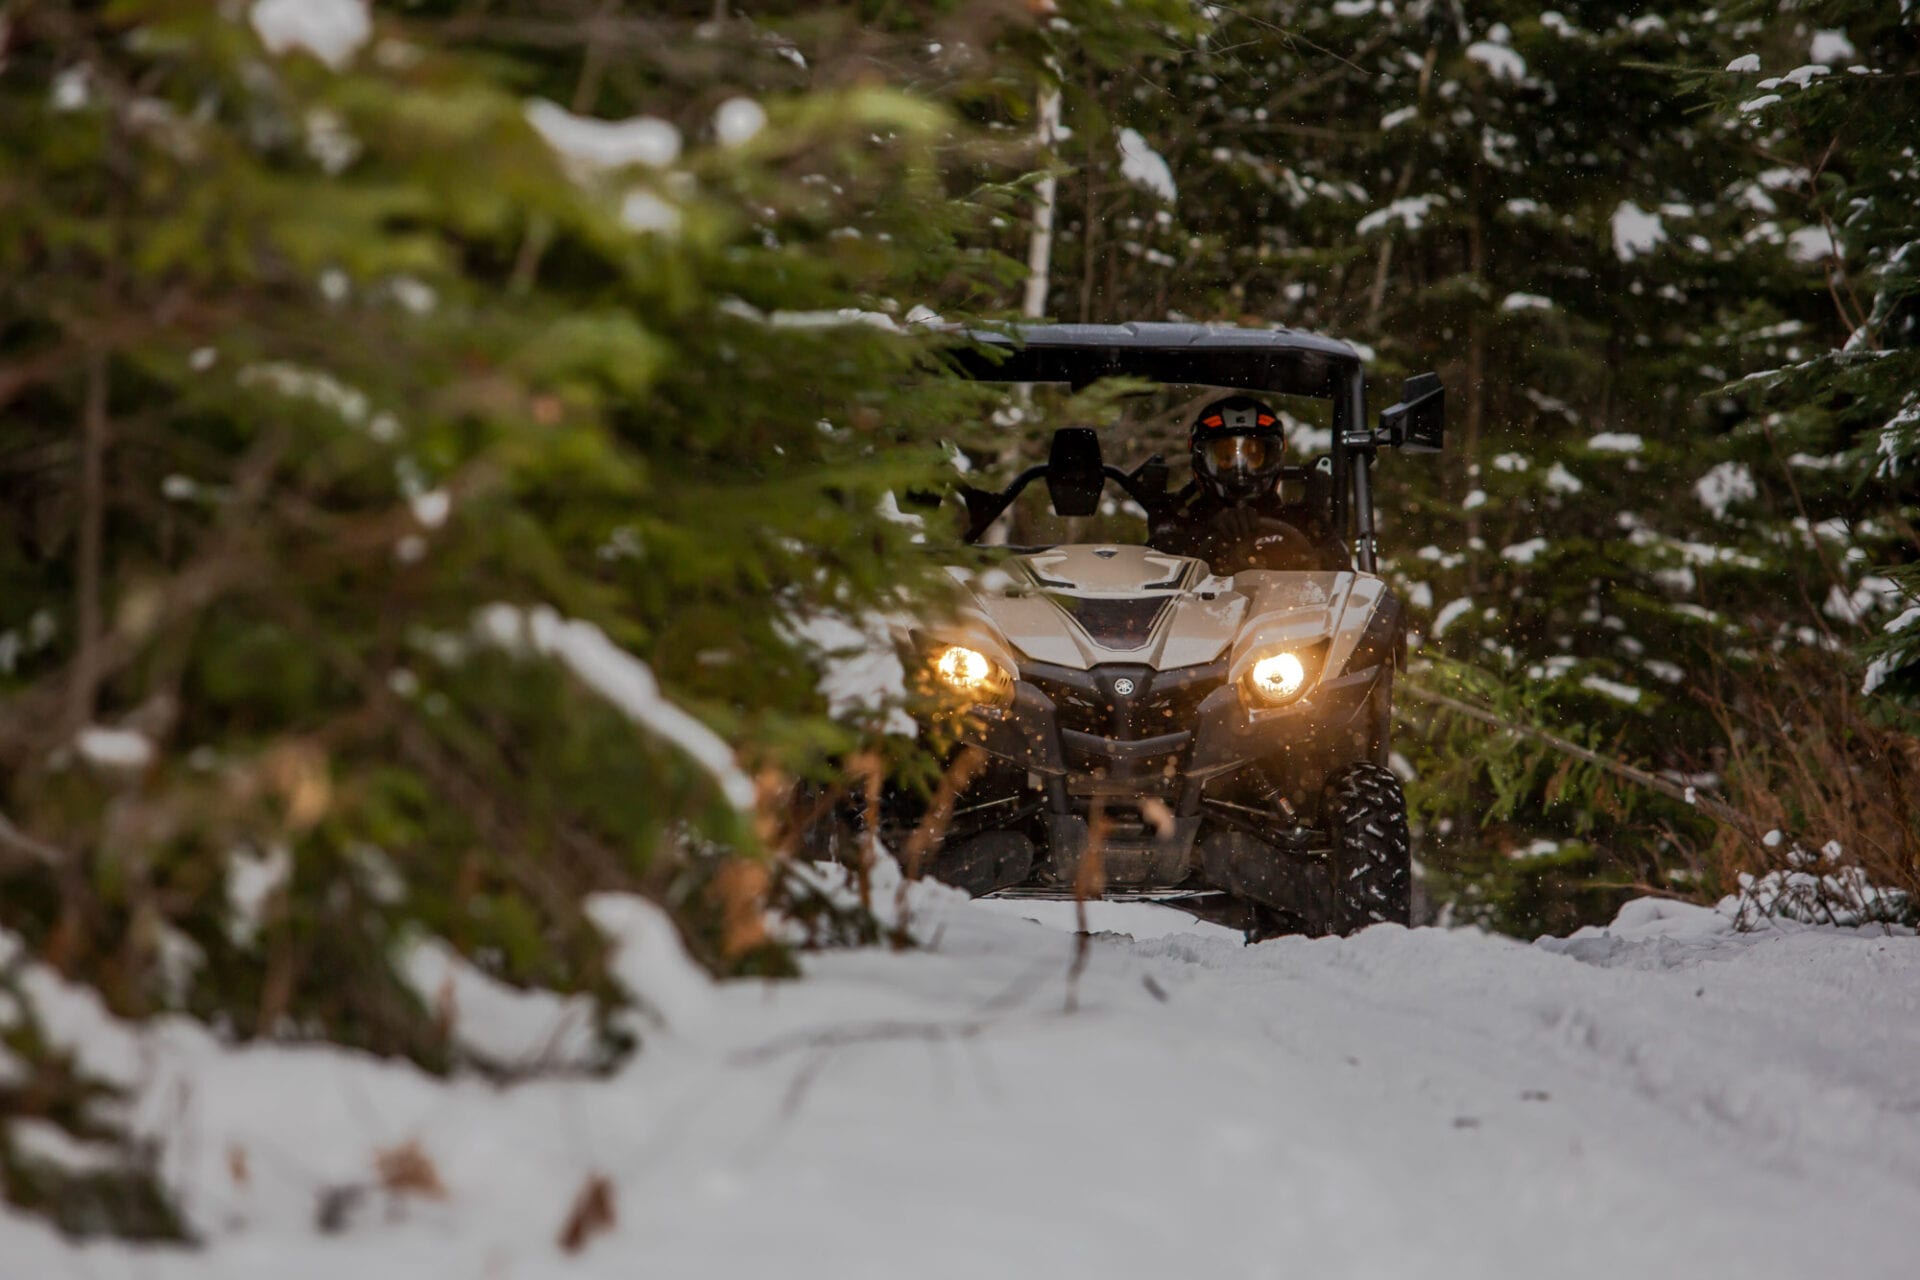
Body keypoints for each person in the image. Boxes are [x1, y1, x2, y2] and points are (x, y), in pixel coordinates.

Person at [1148, 394, 1350, 574]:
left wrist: (1314, 516)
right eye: (1226, 457)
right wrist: (1207, 531)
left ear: (1273, 457)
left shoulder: (1299, 521)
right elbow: (1154, 573)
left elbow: (1341, 578)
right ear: (1203, 460)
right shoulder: (1183, 526)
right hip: (1196, 614)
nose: (1240, 470)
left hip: (1286, 613)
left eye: (1253, 456)